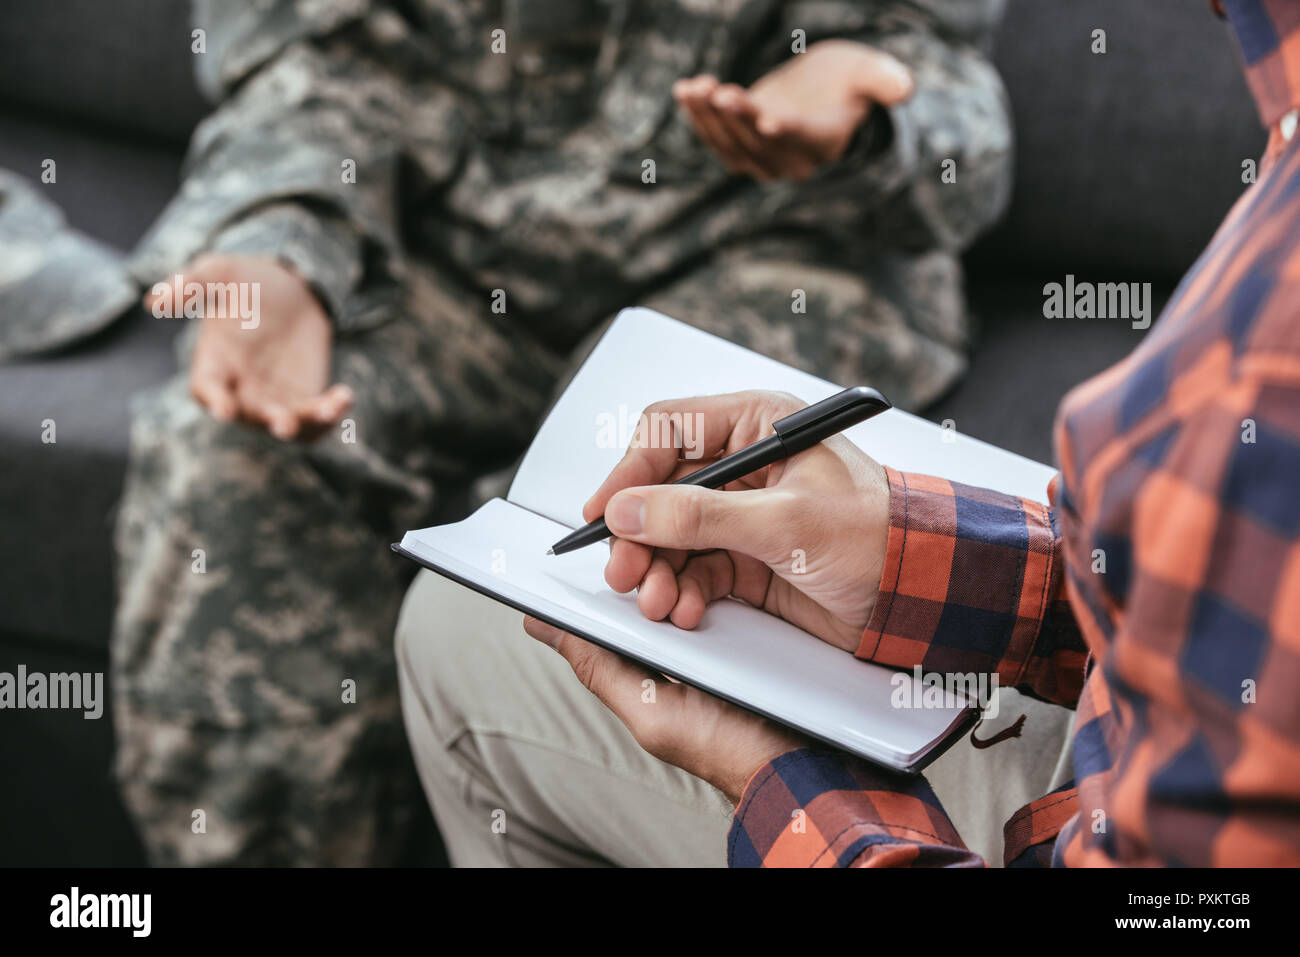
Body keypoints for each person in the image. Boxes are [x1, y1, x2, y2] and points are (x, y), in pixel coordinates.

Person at [105, 0, 1012, 864]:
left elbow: (950, 110)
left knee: (613, 539)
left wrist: (867, 108)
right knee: (229, 444)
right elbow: (323, 64)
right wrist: (282, 245)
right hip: (449, 256)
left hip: (773, 254)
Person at [396, 0, 1300, 867]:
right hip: (1130, 724)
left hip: (1098, 805)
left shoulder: (1256, 382)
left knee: (468, 629)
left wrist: (773, 773)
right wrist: (915, 557)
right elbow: (1212, 605)